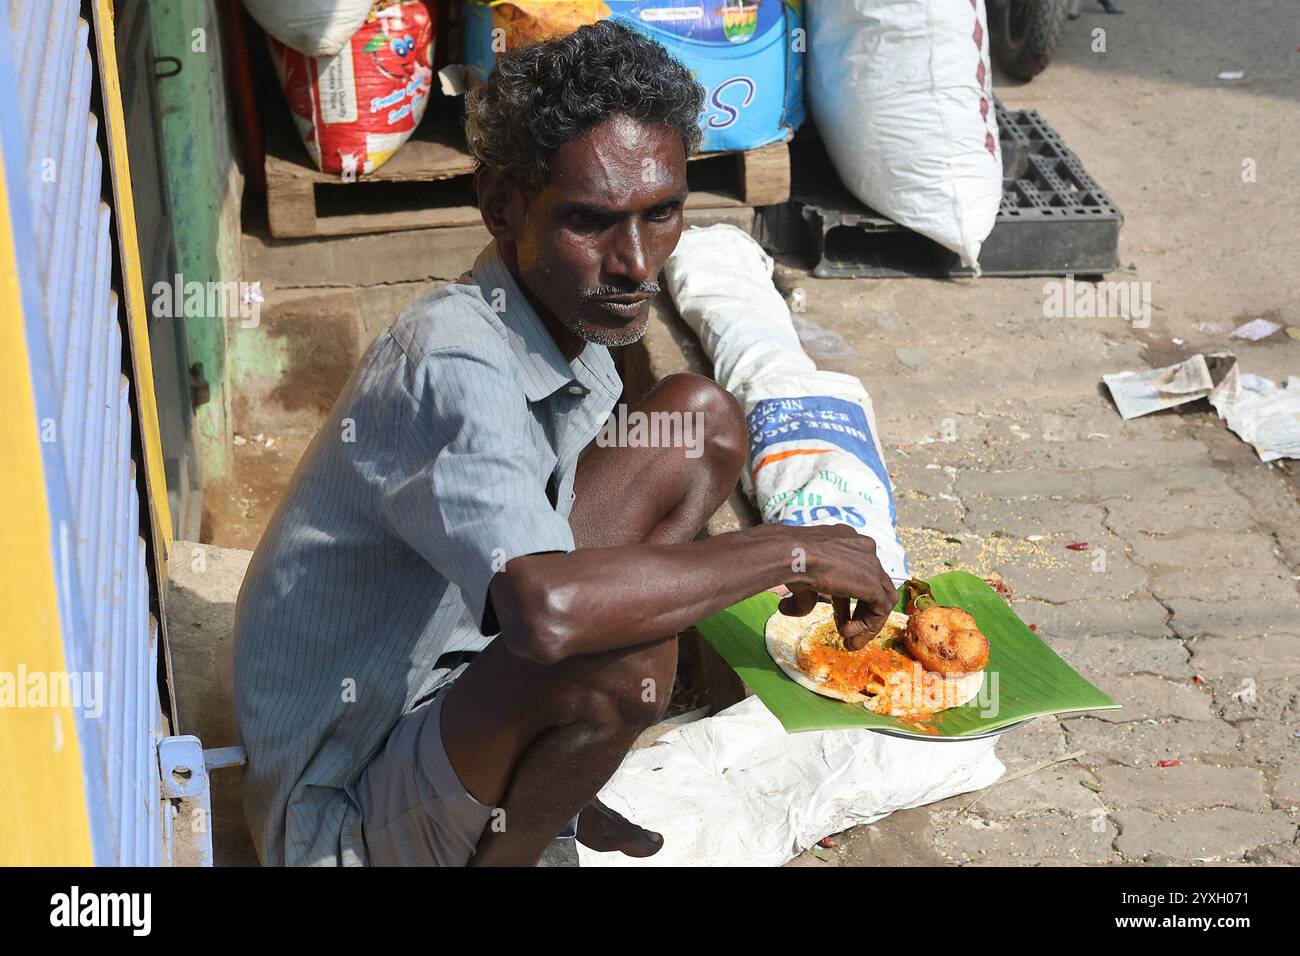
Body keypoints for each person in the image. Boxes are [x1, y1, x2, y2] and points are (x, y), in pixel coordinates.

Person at [233, 19, 897, 867]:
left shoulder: (561, 324)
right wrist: (790, 552)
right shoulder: (452, 359)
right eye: (592, 222)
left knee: (700, 420)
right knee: (621, 655)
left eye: (663, 214)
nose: (635, 263)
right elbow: (547, 614)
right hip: (343, 803)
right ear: (503, 205)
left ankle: (548, 781)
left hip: (450, 676)